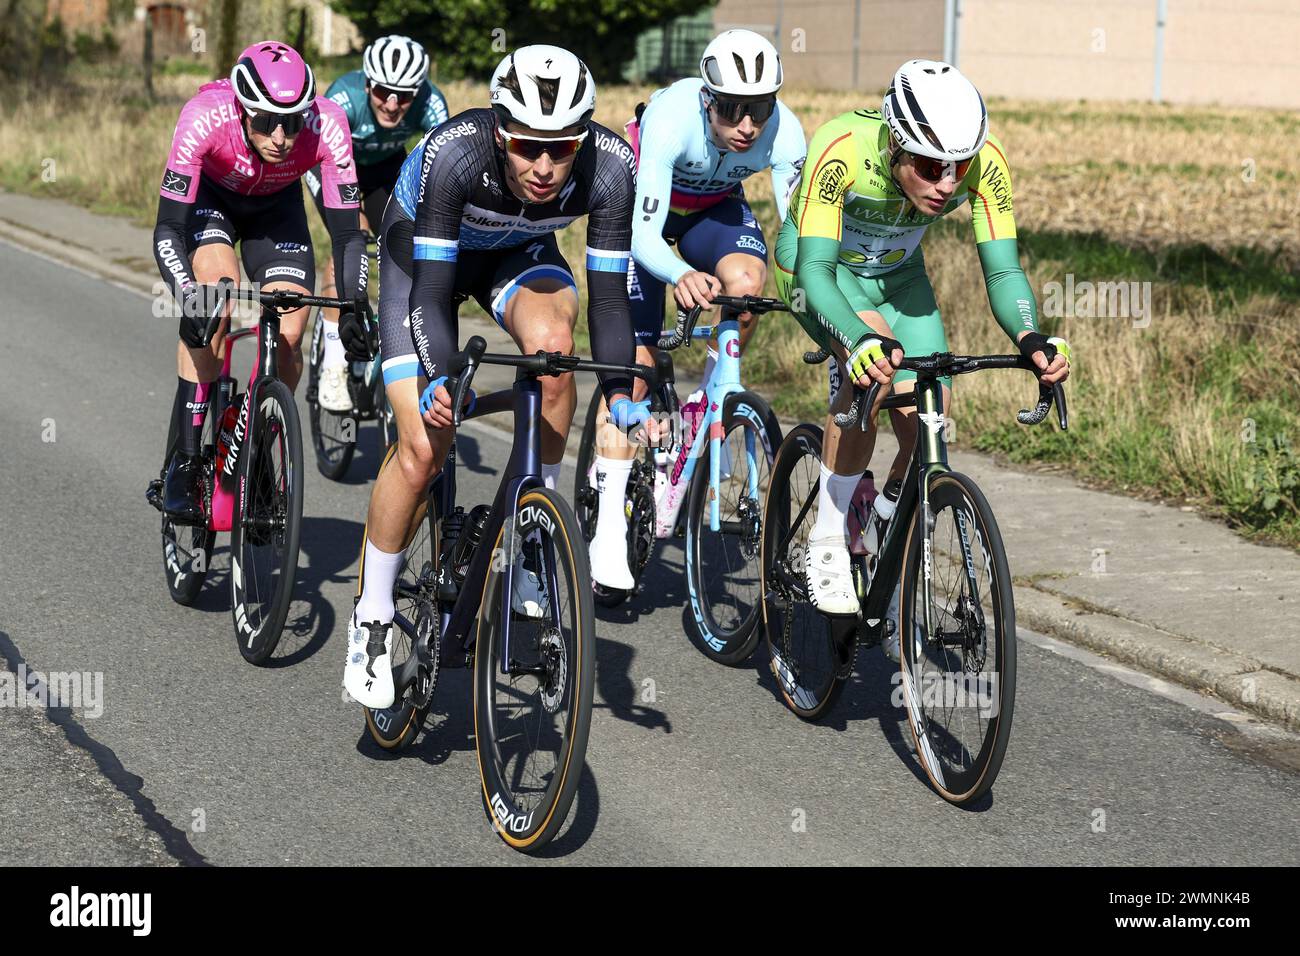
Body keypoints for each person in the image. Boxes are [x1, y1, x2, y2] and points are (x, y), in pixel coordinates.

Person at [343, 46, 648, 708]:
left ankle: (534, 534)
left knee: (557, 349)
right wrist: (438, 376)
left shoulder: (612, 167)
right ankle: (370, 618)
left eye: (561, 149)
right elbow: (429, 295)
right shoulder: (455, 152)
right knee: (424, 446)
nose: (544, 168)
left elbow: (611, 300)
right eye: (526, 148)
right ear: (499, 132)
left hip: (516, 251)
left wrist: (621, 394)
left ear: (584, 137)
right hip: (422, 257)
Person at [774, 59, 1071, 639]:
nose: (948, 184)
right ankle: (829, 536)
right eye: (932, 167)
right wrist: (857, 339)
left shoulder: (986, 163)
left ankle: (884, 514)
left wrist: (1032, 337)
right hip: (817, 273)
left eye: (960, 168)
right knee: (874, 368)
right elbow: (814, 268)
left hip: (899, 278)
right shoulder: (842, 147)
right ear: (894, 148)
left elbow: (1003, 271)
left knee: (928, 413)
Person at [153, 40, 370, 522]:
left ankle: (260, 444)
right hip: (211, 204)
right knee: (215, 302)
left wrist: (354, 304)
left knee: (291, 330)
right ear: (242, 108)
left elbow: (348, 236)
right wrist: (188, 297)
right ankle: (187, 463)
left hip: (277, 215)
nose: (281, 136)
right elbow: (168, 229)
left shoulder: (328, 125)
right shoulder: (205, 116)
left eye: (292, 122)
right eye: (267, 121)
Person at [618, 28, 806, 538]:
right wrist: (681, 274)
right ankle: (610, 498)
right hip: (646, 210)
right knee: (639, 356)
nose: (747, 126)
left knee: (747, 289)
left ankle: (709, 403)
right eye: (729, 109)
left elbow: (795, 237)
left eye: (760, 109)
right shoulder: (671, 121)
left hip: (712, 208)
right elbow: (643, 238)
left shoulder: (784, 132)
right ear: (706, 99)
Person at [305, 35, 450, 411]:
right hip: (335, 166)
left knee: (403, 239)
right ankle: (334, 362)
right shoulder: (344, 99)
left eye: (404, 96)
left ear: (418, 92)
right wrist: (357, 222)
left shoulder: (433, 103)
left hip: (386, 168)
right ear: (368, 83)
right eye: (383, 91)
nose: (391, 103)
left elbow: (442, 165)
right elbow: (323, 160)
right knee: (353, 239)